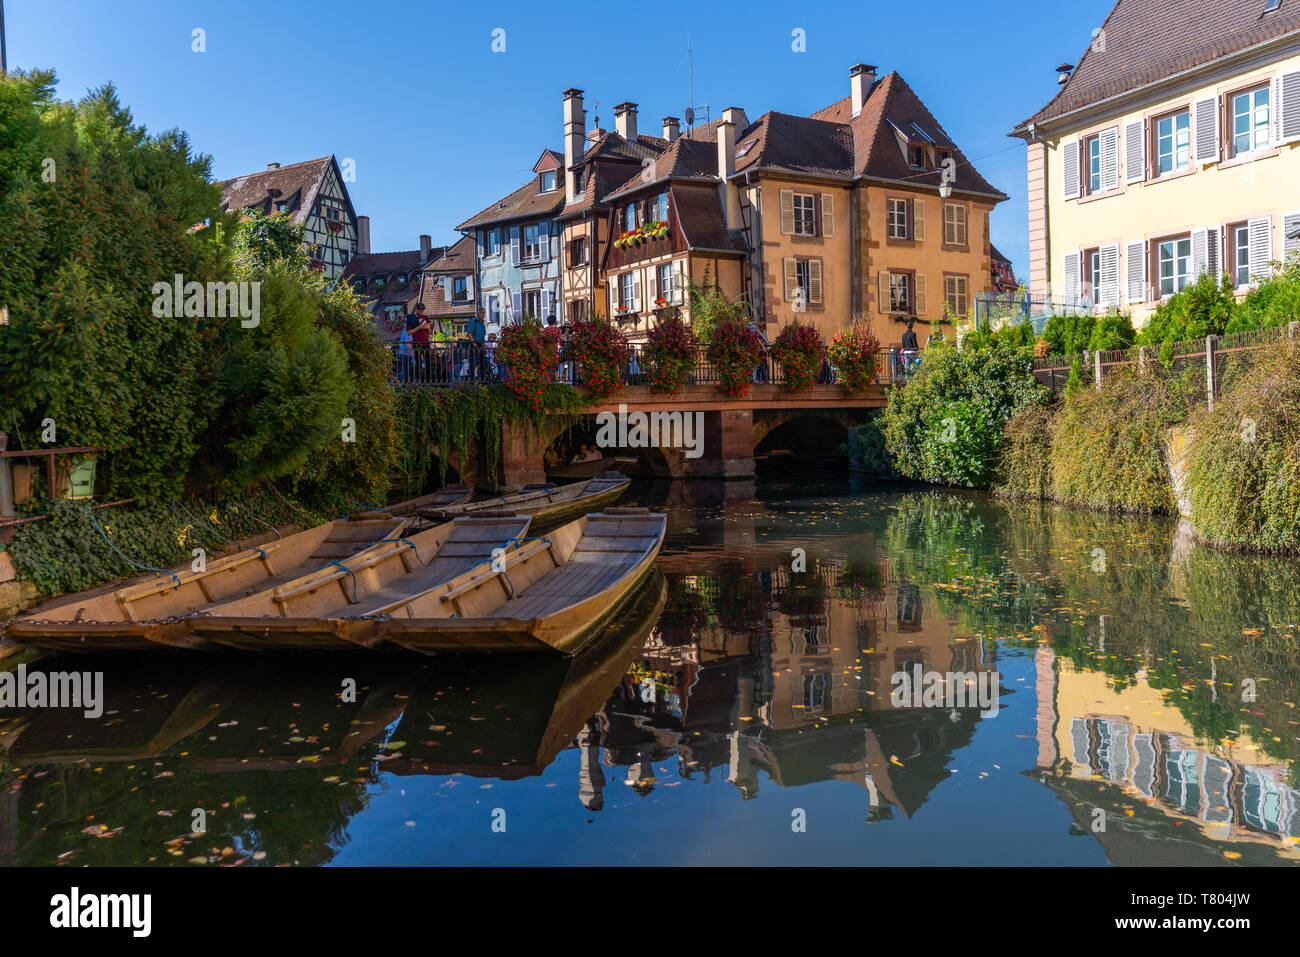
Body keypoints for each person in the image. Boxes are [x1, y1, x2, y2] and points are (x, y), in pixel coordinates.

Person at [406, 302, 432, 381]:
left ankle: (428, 380)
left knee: (428, 362)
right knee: (418, 363)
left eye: (423, 310)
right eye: (420, 310)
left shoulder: (426, 318)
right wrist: (419, 327)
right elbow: (409, 332)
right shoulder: (411, 318)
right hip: (417, 343)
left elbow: (429, 331)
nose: (422, 312)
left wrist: (427, 328)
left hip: (426, 342)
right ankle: (419, 380)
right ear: (417, 310)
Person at [469, 308, 488, 382]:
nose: (483, 314)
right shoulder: (473, 321)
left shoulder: (482, 324)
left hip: (480, 344)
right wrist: (474, 343)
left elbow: (482, 336)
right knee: (473, 363)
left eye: (484, 313)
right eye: (481, 313)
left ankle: (482, 379)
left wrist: (483, 345)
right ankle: (471, 380)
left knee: (482, 362)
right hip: (474, 344)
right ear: (478, 313)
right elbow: (469, 333)